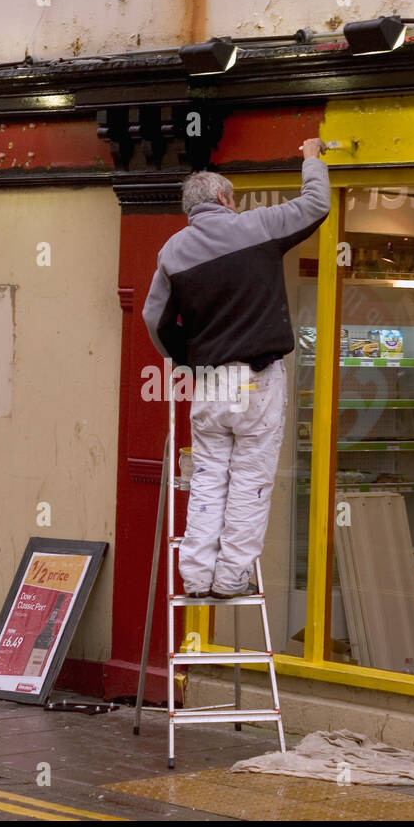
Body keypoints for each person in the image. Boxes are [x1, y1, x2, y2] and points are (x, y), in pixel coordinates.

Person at [142, 138, 331, 598]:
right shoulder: (258, 226)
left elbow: (154, 319)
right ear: (225, 199)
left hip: (209, 381)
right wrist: (310, 158)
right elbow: (316, 205)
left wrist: (188, 361)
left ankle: (196, 575)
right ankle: (231, 578)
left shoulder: (172, 253)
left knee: (208, 477)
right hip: (258, 378)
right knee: (250, 477)